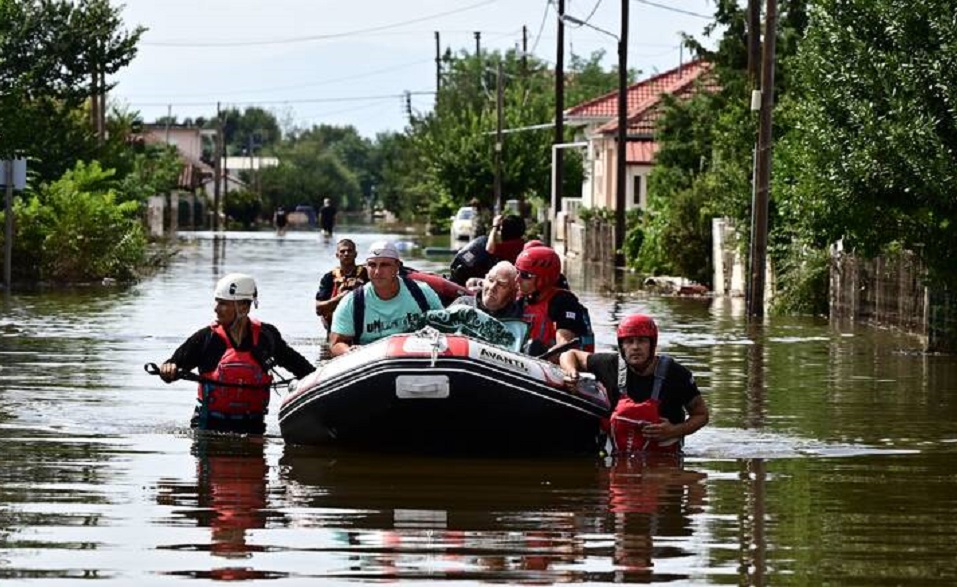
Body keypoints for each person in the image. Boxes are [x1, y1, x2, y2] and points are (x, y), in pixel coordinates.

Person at [158, 273, 316, 434]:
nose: (216, 309)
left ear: (244, 307)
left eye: (223, 303)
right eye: (217, 302)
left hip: (253, 426)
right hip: (208, 426)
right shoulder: (206, 338)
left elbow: (304, 370)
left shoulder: (267, 336)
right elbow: (172, 366)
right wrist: (168, 369)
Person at [558, 314, 709, 453]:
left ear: (652, 344)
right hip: (619, 456)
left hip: (665, 459)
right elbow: (569, 354)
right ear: (622, 346)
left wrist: (673, 431)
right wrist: (571, 372)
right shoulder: (609, 364)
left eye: (642, 341)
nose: (635, 347)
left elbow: (701, 415)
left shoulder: (677, 375)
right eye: (629, 341)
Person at [329, 240, 444, 356]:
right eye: (372, 265)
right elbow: (336, 343)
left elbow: (445, 329)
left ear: (397, 266)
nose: (377, 272)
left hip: (417, 357)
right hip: (372, 360)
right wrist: (349, 351)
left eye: (384, 265)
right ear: (366, 267)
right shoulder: (352, 302)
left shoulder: (422, 292)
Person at [515, 246, 592, 357]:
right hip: (521, 357)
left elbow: (564, 344)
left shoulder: (563, 302)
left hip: (551, 361)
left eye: (525, 275)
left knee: (533, 347)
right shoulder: (519, 298)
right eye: (517, 272)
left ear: (544, 278)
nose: (517, 279)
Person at [448, 214, 526, 286]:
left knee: (469, 280)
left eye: (500, 228)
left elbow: (489, 249)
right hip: (503, 277)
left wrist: (494, 226)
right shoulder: (520, 243)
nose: (499, 231)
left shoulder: (511, 245)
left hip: (504, 280)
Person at [315, 238, 369, 335]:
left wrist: (360, 290)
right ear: (337, 255)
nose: (346, 254)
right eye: (342, 251)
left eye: (349, 251)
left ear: (355, 254)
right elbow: (319, 309)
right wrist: (340, 297)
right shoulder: (329, 277)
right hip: (336, 327)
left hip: (363, 323)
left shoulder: (367, 274)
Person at [451, 261, 524, 320]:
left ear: (512, 291)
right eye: (490, 280)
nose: (492, 287)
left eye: (501, 284)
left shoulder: (518, 315)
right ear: (484, 281)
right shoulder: (462, 305)